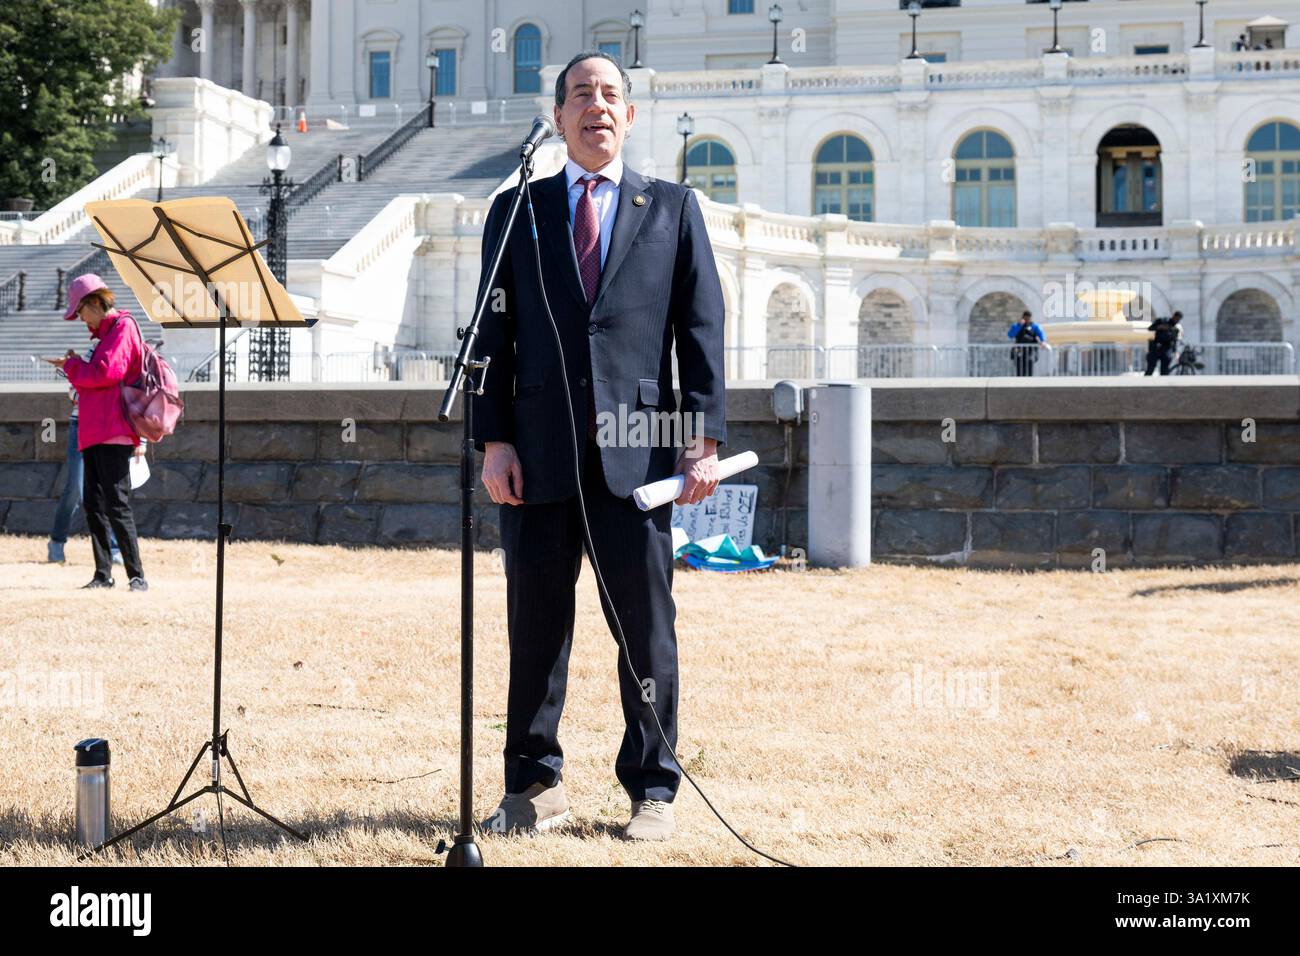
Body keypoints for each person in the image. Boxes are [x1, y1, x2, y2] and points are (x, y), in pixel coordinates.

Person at [472, 51, 726, 842]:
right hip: (539, 454)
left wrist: (703, 438)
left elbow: (701, 331)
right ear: (558, 117)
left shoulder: (673, 208)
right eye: (581, 93)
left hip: (640, 454)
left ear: (631, 114)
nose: (597, 106)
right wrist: (493, 440)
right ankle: (531, 786)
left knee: (646, 630)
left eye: (611, 94)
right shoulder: (517, 210)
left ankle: (653, 788)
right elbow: (492, 333)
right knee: (535, 625)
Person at [46, 275, 148, 591]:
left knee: (116, 503)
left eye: (80, 312)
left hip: (113, 430)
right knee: (93, 502)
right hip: (94, 429)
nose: (80, 319)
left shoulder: (122, 327)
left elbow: (106, 372)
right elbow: (94, 377)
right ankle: (103, 573)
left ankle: (136, 575)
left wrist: (73, 367)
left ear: (93, 303)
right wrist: (74, 366)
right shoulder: (104, 334)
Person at [48, 350, 124, 565]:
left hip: (106, 425)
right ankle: (57, 541)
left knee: (108, 489)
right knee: (76, 488)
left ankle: (113, 547)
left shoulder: (116, 356)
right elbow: (74, 395)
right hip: (80, 424)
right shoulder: (89, 355)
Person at [1007, 311, 1046, 377]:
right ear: (1023, 318)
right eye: (1025, 318)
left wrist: (1043, 341)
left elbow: (1041, 334)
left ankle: (1029, 383)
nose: (1027, 320)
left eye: (1028, 318)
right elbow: (1010, 335)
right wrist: (1019, 325)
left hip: (1030, 351)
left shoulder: (1035, 326)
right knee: (1019, 368)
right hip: (1019, 351)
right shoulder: (1017, 325)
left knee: (1030, 365)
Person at [1145, 310, 1183, 376]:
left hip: (1166, 350)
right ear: (1174, 316)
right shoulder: (1162, 320)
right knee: (1150, 369)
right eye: (1176, 318)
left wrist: (1175, 351)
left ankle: (1163, 385)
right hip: (1156, 348)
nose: (1177, 320)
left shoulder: (1176, 328)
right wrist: (1160, 327)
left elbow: (1175, 340)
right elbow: (1150, 328)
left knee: (1164, 372)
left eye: (1178, 319)